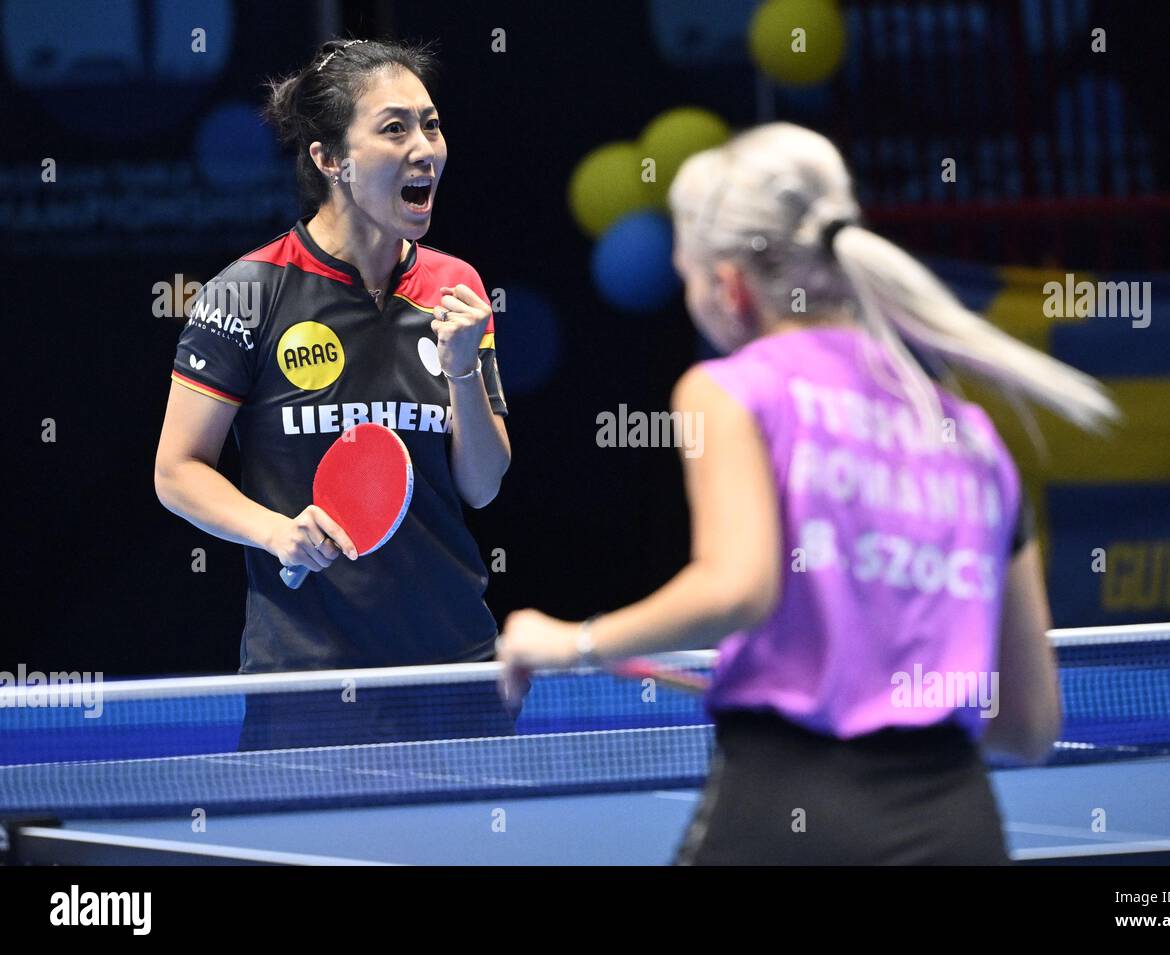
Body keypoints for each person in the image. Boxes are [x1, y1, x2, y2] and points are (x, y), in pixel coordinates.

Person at [495, 122, 1119, 864]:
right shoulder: (972, 435)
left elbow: (739, 587)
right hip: (959, 828)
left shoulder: (734, 390)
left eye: (689, 278)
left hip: (789, 816)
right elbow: (1029, 724)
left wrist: (574, 642)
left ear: (729, 287)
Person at [154, 38, 511, 743]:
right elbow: (176, 470)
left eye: (431, 125)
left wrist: (464, 369)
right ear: (329, 159)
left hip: (455, 668)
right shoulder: (249, 293)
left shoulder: (456, 287)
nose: (425, 149)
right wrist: (274, 532)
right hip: (308, 681)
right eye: (394, 129)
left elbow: (483, 485)